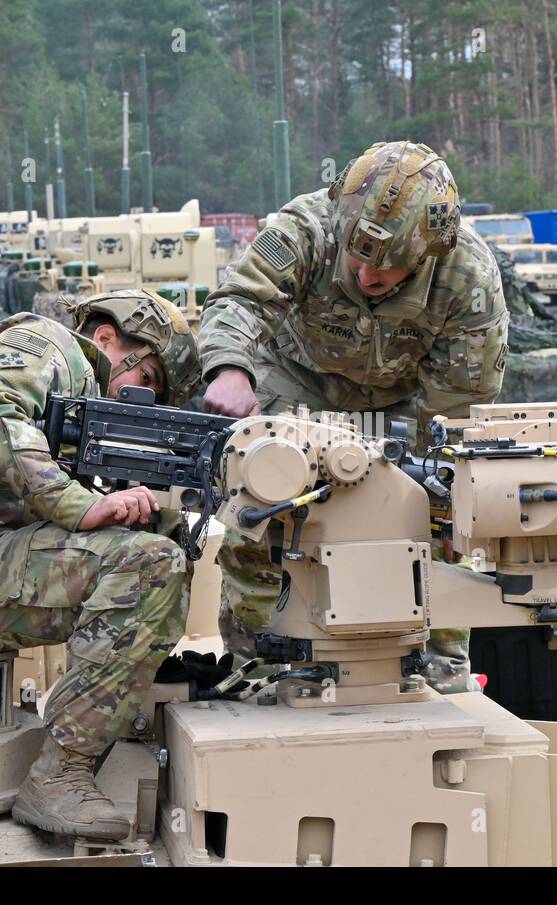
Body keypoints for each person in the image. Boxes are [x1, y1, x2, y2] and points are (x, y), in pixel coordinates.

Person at [198, 140, 509, 693]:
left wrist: (433, 483)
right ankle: (260, 661)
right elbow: (241, 300)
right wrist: (229, 369)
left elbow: (457, 413)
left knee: (435, 514)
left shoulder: (468, 281)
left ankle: (437, 669)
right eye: (358, 256)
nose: (367, 276)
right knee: (263, 502)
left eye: (389, 269)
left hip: (405, 401)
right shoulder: (306, 227)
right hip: (296, 378)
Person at [0, 291, 201, 841]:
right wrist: (83, 506)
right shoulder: (51, 345)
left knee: (160, 545)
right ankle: (60, 775)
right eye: (149, 379)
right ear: (109, 341)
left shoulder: (81, 404)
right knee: (150, 565)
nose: (146, 403)